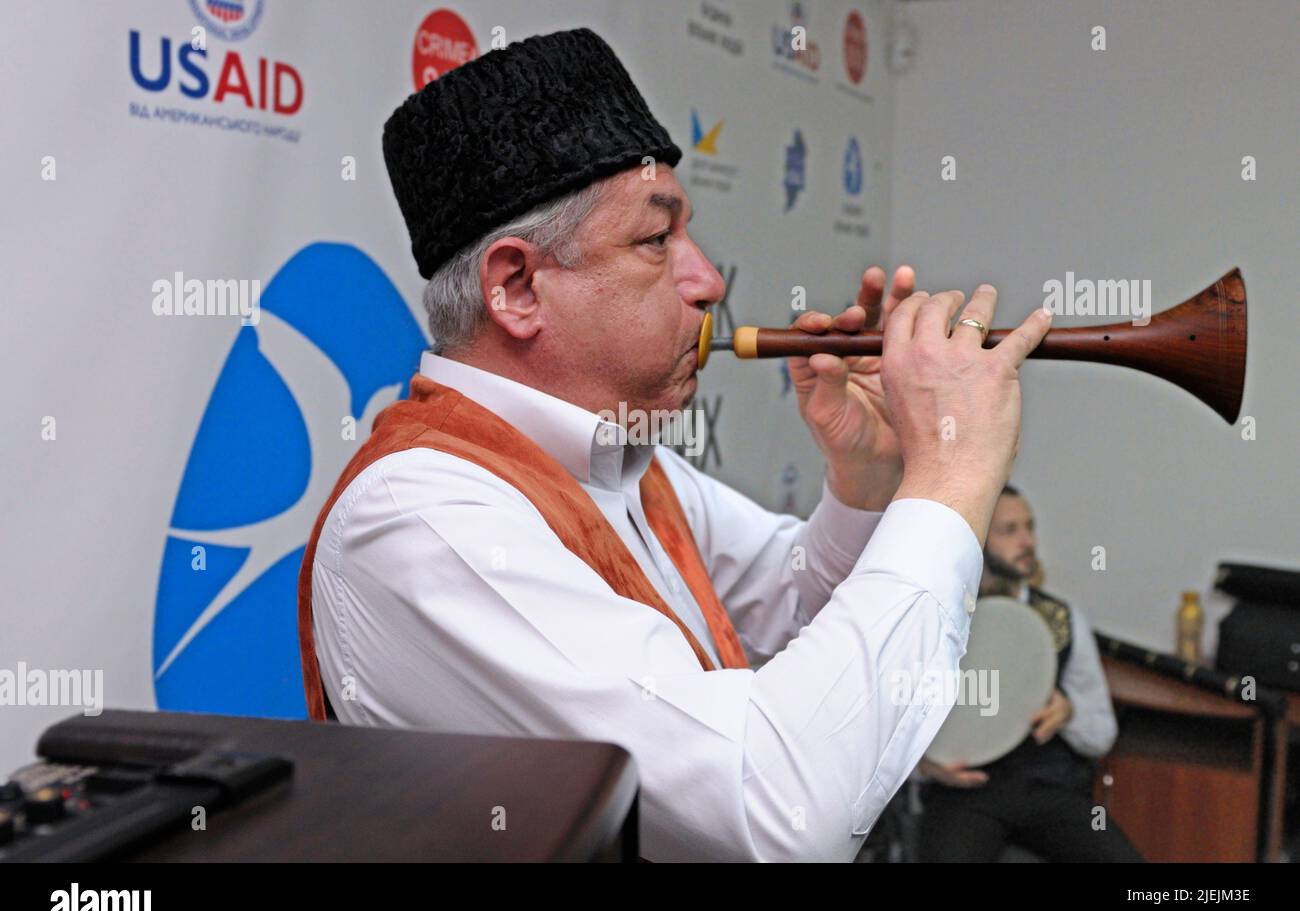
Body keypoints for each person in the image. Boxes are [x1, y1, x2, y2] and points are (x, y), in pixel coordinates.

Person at [295, 27, 1052, 862]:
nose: (709, 280)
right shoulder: (421, 522)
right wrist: (953, 472)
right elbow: (778, 808)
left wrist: (868, 476)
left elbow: (797, 615)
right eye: (657, 241)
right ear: (515, 286)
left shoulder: (623, 465)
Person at [914, 486, 1144, 862]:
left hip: (1049, 789)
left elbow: (1101, 735)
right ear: (976, 539)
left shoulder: (1063, 621)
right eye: (1009, 530)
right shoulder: (937, 619)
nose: (1028, 541)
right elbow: (888, 727)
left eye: (1030, 527)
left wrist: (1068, 714)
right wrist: (925, 767)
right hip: (962, 793)